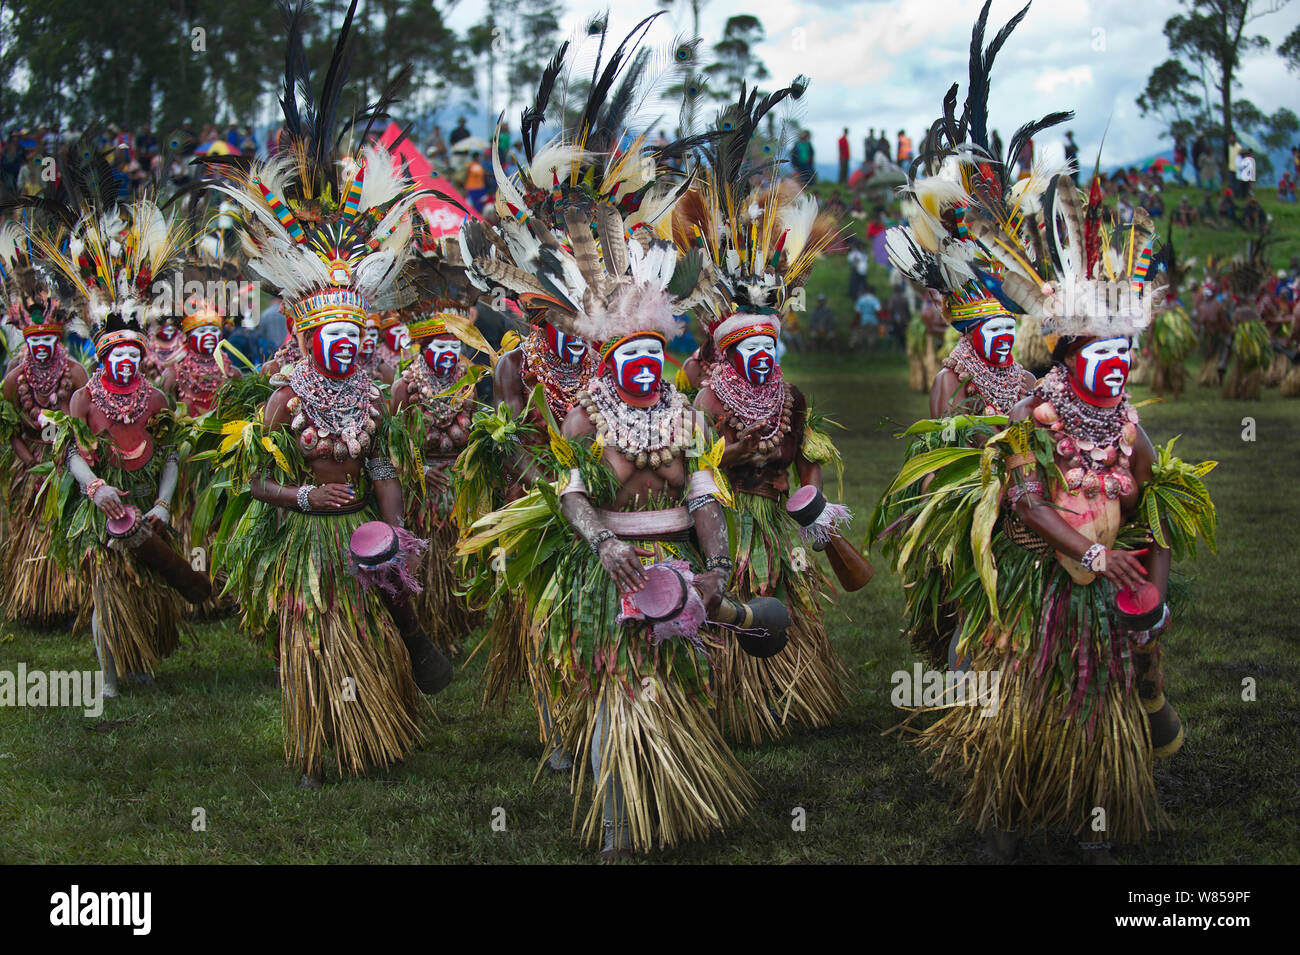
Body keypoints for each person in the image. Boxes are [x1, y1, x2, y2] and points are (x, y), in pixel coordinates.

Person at [205, 7, 451, 787]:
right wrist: (298, 494)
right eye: (331, 338)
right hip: (310, 539)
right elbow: (245, 479)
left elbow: (381, 461)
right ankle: (321, 743)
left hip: (364, 536)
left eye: (354, 335)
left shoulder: (373, 391)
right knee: (317, 636)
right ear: (309, 336)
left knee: (375, 625)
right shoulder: (284, 400)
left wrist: (398, 528)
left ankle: (380, 729)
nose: (344, 347)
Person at [0, 230, 91, 628]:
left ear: (57, 342)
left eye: (47, 343)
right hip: (31, 463)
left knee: (66, 522)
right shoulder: (12, 380)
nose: (40, 350)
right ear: (26, 342)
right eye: (33, 343)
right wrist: (31, 464)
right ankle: (36, 601)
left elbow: (85, 422)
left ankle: (70, 596)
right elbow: (10, 431)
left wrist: (66, 460)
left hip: (67, 460)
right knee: (33, 522)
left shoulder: (74, 373)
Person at [851, 284, 881, 350]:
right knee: (872, 337)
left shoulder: (861, 299)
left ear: (866, 291)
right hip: (873, 321)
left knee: (862, 336)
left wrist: (854, 321)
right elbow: (878, 311)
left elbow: (857, 312)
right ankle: (871, 353)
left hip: (863, 321)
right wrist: (879, 320)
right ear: (873, 292)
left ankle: (861, 352)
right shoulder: (875, 300)